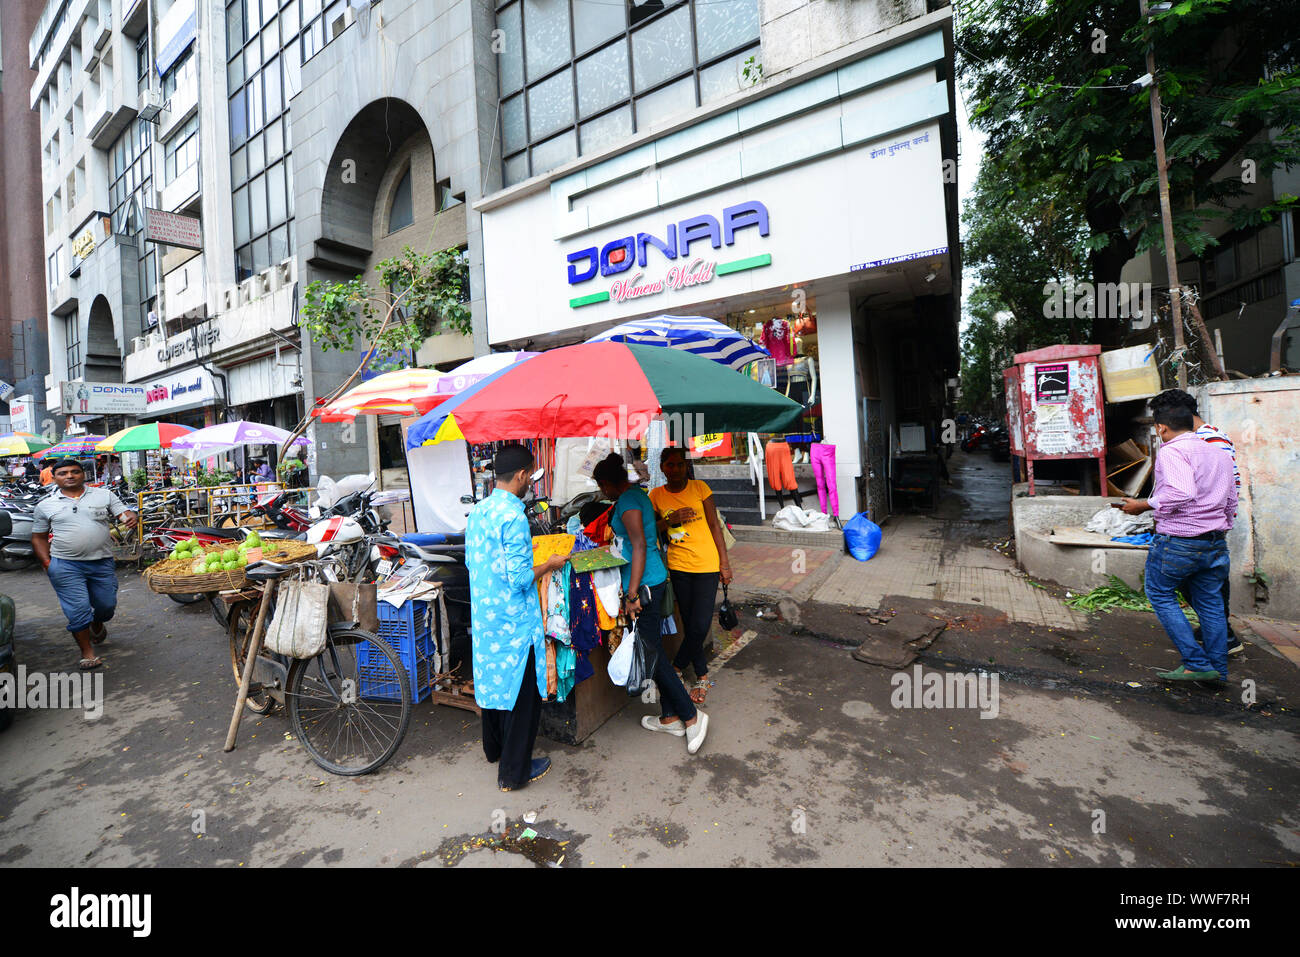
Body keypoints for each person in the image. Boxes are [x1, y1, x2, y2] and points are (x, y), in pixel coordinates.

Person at [465, 444, 568, 792]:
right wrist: (550, 565)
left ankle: (494, 749)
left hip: (485, 617)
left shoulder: (479, 513)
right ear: (522, 475)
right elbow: (521, 578)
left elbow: (473, 563)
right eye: (531, 476)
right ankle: (514, 773)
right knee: (521, 695)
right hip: (513, 623)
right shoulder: (514, 517)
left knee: (494, 684)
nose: (530, 484)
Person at [593, 452, 709, 753]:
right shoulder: (636, 496)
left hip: (644, 583)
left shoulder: (629, 502)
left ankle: (691, 715)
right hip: (650, 578)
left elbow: (641, 545)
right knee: (652, 646)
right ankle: (669, 717)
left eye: (601, 487)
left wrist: (631, 595)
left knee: (650, 651)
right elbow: (645, 537)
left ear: (606, 484)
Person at [1121, 400, 1236, 681]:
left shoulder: (1173, 451)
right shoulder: (1218, 453)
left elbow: (1181, 492)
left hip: (1179, 541)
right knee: (1211, 605)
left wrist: (1143, 505)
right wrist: (1219, 529)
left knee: (1160, 594)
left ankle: (1196, 663)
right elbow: (1231, 499)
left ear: (1161, 427)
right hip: (1215, 542)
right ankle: (1218, 671)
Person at [1150, 389, 1244, 654]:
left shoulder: (1208, 441)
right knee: (1199, 588)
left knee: (1197, 590)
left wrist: (1151, 505)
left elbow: (1224, 485)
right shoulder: (1196, 440)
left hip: (1198, 529)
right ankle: (1216, 646)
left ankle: (1221, 642)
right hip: (1201, 527)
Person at [30, 459, 138, 671]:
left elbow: (124, 513)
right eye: (63, 473)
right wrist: (47, 563)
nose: (69, 476)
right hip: (65, 565)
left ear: (83, 474)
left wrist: (130, 517)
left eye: (75, 472)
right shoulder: (45, 505)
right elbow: (38, 537)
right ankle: (87, 653)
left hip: (101, 563)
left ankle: (97, 623)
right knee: (77, 610)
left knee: (106, 606)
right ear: (54, 477)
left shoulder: (104, 495)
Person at [648, 447, 732, 704]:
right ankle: (702, 676)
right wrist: (670, 519)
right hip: (679, 566)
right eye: (671, 465)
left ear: (687, 466)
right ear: (662, 468)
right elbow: (651, 531)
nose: (675, 470)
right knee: (688, 621)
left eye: (680, 464)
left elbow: (714, 525)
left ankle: (676, 666)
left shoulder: (700, 489)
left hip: (707, 564)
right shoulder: (656, 495)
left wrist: (724, 563)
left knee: (700, 624)